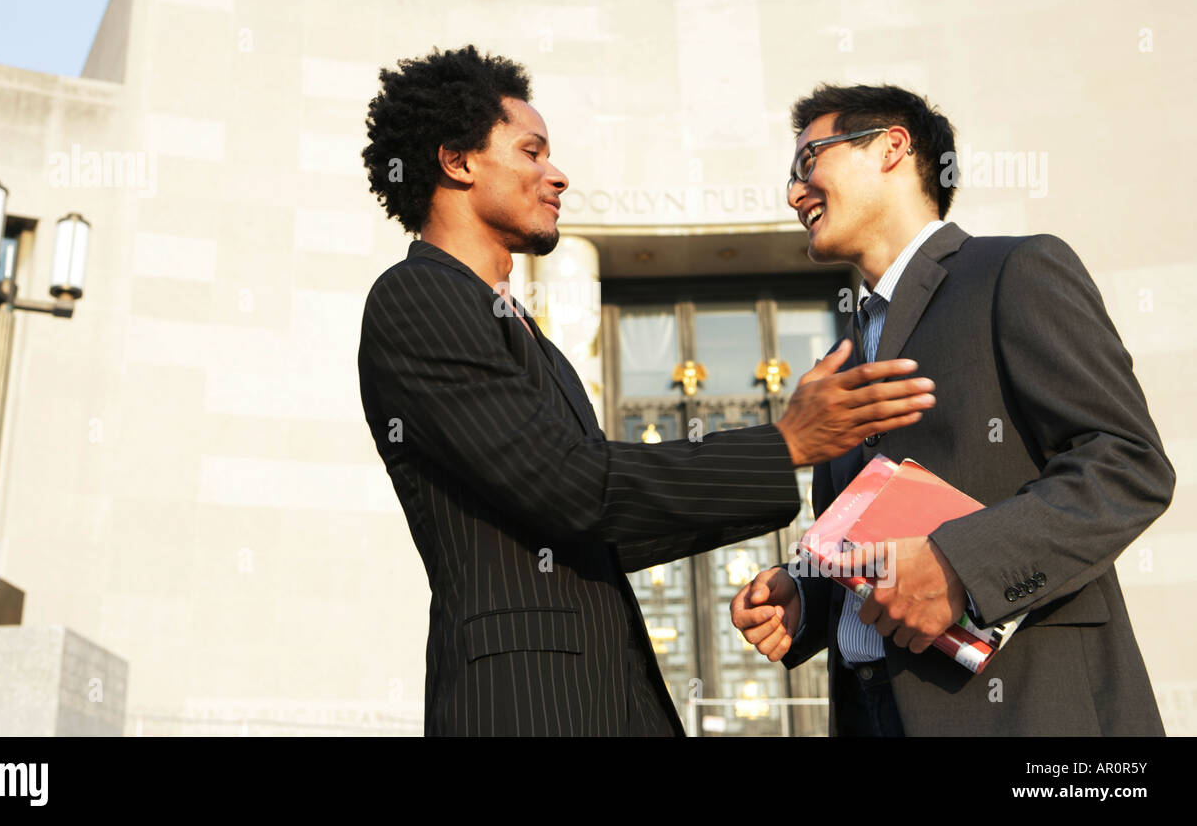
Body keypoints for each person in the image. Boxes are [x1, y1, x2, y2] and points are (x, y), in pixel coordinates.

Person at [357, 47, 937, 736]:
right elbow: (575, 489)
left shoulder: (524, 333)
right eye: (532, 151)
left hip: (608, 694)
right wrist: (784, 445)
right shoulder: (417, 297)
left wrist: (803, 587)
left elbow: (593, 529)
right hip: (524, 701)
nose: (556, 175)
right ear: (459, 162)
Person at [731, 83, 1173, 736]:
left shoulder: (1014, 271)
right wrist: (810, 596)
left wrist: (960, 567)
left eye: (809, 162)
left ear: (891, 146)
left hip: (1027, 709)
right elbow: (867, 532)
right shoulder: (843, 352)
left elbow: (1128, 465)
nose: (795, 194)